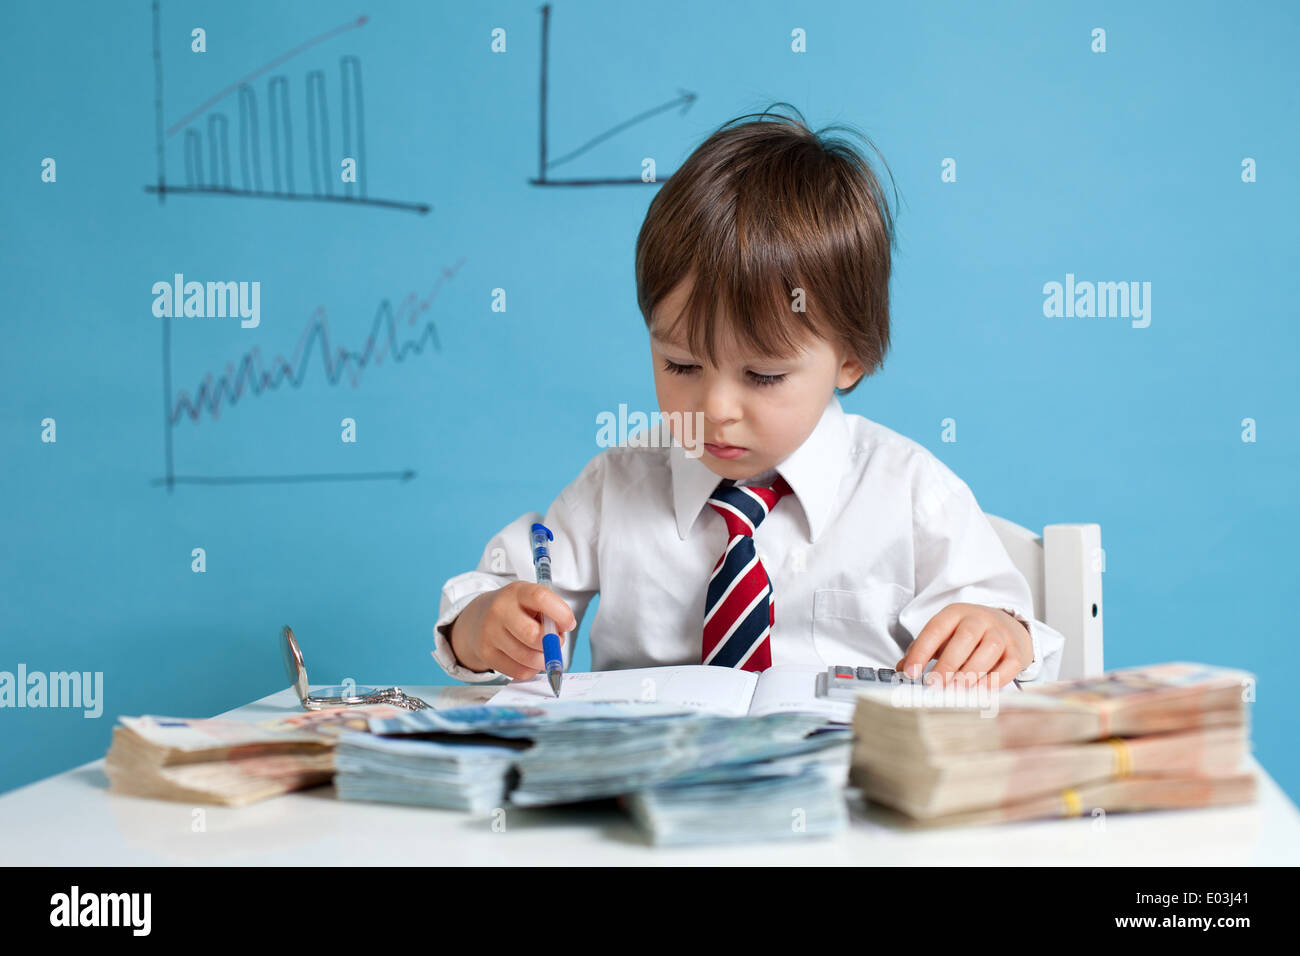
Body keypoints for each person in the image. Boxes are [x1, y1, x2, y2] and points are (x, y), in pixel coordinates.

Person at [434, 105, 1064, 690]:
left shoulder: (910, 493)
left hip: (841, 794)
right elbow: (489, 597)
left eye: (763, 376)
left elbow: (1007, 631)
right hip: (650, 786)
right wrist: (486, 624)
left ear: (851, 358)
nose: (715, 410)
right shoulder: (614, 488)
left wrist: (998, 633)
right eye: (680, 364)